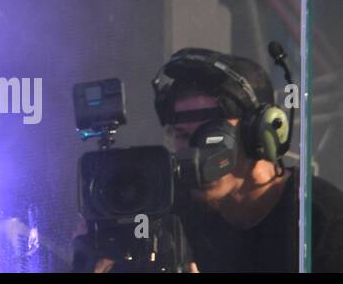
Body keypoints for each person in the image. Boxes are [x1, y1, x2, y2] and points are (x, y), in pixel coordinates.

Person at [79, 48, 343, 271]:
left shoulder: (322, 221)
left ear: (261, 134)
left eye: (210, 139)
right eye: (182, 135)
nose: (194, 156)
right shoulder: (168, 209)